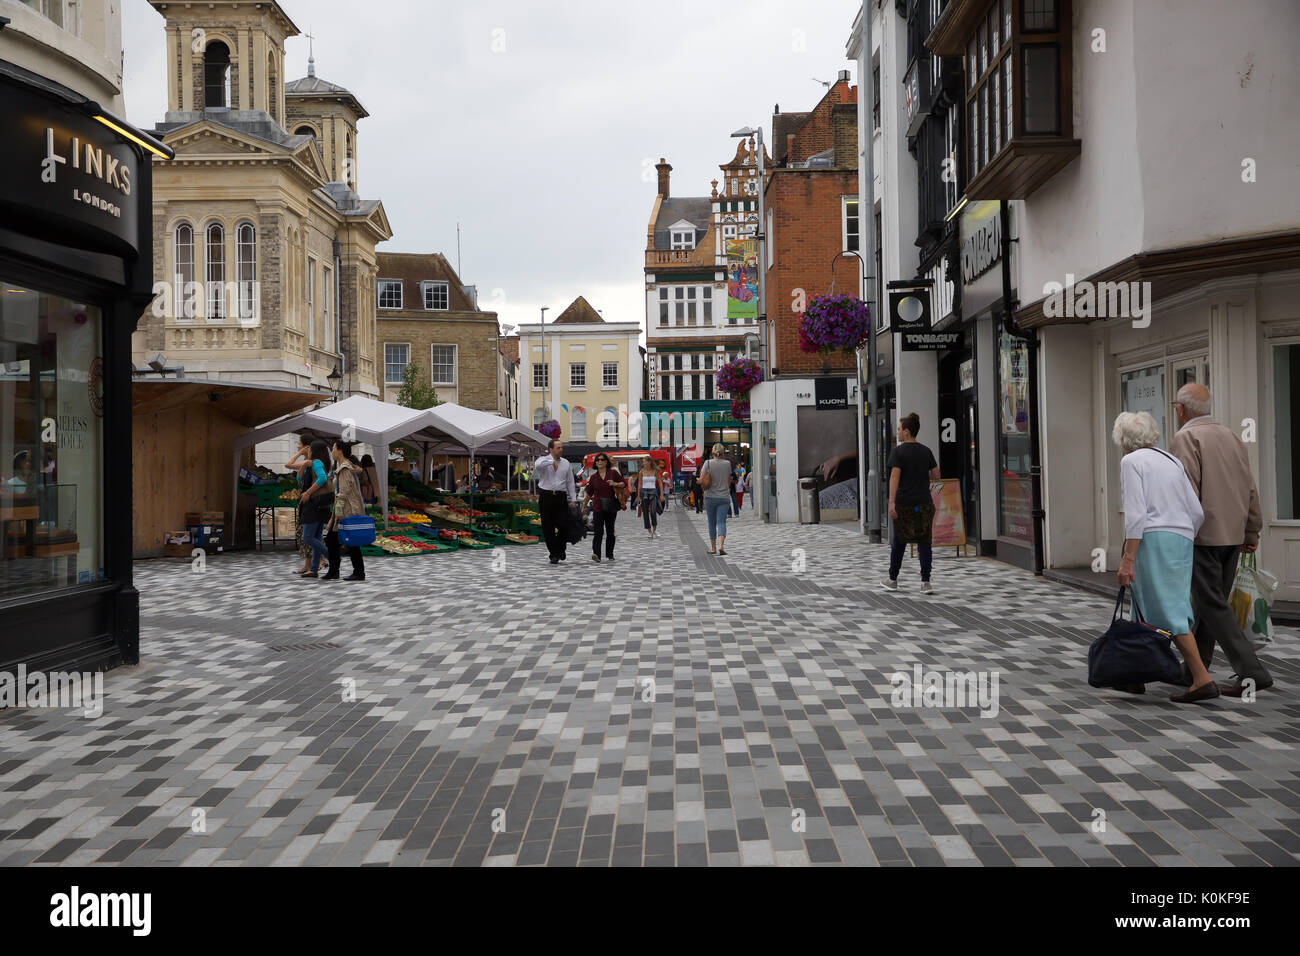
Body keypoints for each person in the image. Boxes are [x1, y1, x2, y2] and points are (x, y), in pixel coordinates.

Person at [1169, 383, 1272, 697]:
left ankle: (1252, 671)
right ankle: (1194, 672)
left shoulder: (1186, 437)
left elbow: (1186, 490)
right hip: (1233, 534)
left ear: (1181, 409)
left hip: (1204, 535)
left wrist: (1180, 534)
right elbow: (1249, 487)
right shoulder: (1230, 436)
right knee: (1208, 603)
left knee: (1211, 604)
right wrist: (1252, 529)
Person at [1113, 411, 1217, 703]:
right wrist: (1183, 534)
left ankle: (1201, 678)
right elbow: (1196, 511)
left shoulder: (1131, 462)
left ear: (1123, 439)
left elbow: (1136, 514)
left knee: (1167, 609)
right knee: (1148, 603)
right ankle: (1135, 675)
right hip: (1181, 537)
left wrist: (1127, 558)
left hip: (1153, 538)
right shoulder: (1171, 460)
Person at [881, 413, 939, 593]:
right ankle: (925, 582)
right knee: (924, 541)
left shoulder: (898, 452)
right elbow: (936, 475)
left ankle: (892, 579)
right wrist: (922, 476)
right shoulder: (926, 450)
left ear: (906, 432)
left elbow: (894, 477)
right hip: (923, 503)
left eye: (899, 429)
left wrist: (891, 503)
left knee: (899, 541)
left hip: (904, 504)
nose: (897, 432)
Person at [323, 439, 367, 581]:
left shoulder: (344, 469)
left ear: (340, 451)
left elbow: (342, 493)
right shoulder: (345, 467)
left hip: (345, 511)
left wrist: (339, 514)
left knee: (342, 540)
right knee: (337, 540)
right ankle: (344, 571)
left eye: (334, 448)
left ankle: (353, 572)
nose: (332, 451)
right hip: (345, 509)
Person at [535, 439, 578, 564]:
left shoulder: (566, 463)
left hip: (560, 496)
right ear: (551, 449)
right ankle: (554, 554)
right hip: (546, 496)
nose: (561, 449)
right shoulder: (543, 460)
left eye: (561, 447)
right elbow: (538, 466)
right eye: (558, 447)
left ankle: (560, 548)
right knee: (547, 527)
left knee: (564, 525)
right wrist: (550, 462)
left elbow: (570, 482)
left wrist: (573, 499)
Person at [296, 439, 333, 578]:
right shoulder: (314, 463)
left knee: (308, 537)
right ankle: (313, 569)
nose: (308, 451)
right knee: (316, 537)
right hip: (320, 505)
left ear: (314, 451)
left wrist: (308, 493)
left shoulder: (317, 463)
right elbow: (299, 479)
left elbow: (322, 478)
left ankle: (333, 557)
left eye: (310, 449)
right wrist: (304, 465)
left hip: (314, 505)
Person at [583, 453, 626, 562]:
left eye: (602, 460)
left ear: (606, 462)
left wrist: (615, 483)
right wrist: (584, 506)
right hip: (598, 507)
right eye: (598, 460)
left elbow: (624, 484)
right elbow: (589, 493)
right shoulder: (593, 477)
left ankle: (609, 554)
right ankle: (596, 554)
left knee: (610, 531)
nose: (600, 461)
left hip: (611, 506)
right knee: (598, 531)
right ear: (595, 463)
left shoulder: (613, 473)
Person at [284, 435, 315, 574]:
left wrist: (300, 453)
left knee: (307, 535)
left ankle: (320, 561)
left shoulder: (310, 462)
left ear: (306, 447)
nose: (297, 446)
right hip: (304, 503)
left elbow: (288, 464)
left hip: (309, 503)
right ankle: (308, 565)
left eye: (299, 444)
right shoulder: (305, 463)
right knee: (303, 534)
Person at [701, 443, 733, 555]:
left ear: (712, 453)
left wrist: (700, 482)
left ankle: (713, 548)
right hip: (724, 497)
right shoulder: (727, 464)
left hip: (710, 497)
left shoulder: (708, 463)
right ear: (723, 452)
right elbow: (729, 481)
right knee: (721, 522)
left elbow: (701, 479)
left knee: (711, 522)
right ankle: (721, 546)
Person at [638, 456, 665, 537]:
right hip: (644, 492)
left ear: (649, 462)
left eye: (645, 461)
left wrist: (661, 494)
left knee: (653, 511)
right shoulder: (641, 472)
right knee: (645, 512)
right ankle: (649, 531)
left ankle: (655, 530)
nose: (644, 463)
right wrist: (638, 496)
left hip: (653, 491)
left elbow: (660, 483)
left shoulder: (655, 471)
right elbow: (639, 484)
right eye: (643, 462)